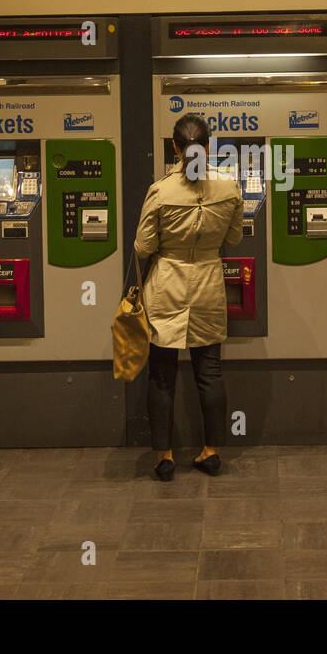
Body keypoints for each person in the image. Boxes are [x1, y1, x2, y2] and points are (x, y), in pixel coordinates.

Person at [133, 114, 244, 481]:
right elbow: (235, 238)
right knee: (209, 372)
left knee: (162, 374)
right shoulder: (229, 188)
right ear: (209, 147)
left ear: (176, 148)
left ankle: (165, 457)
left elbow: (144, 245)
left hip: (168, 285)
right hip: (209, 284)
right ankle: (211, 452)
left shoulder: (161, 191)